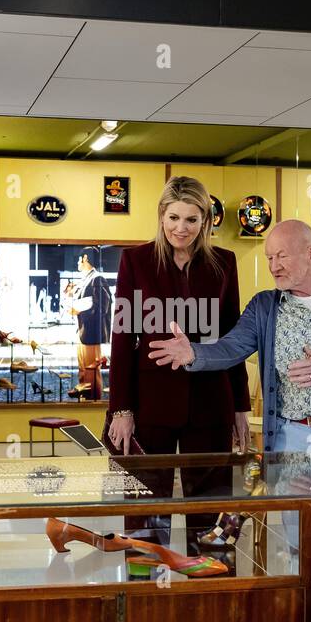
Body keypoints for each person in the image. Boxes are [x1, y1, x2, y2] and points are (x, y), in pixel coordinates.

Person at [148, 219, 311, 456]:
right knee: (289, 506)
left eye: (282, 256)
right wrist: (193, 353)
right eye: (269, 257)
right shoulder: (264, 306)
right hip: (289, 438)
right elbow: (231, 347)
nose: (273, 266)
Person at [106, 177, 251, 544]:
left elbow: (231, 339)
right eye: (173, 218)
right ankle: (144, 592)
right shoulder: (135, 260)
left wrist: (239, 407)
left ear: (205, 220)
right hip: (150, 402)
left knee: (211, 511)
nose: (180, 228)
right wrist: (121, 409)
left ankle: (207, 588)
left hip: (211, 399)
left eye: (191, 219)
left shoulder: (225, 263)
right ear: (161, 215)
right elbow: (122, 337)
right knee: (145, 509)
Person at [67, 247, 113, 400]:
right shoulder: (87, 279)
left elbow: (102, 307)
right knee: (84, 372)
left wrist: (79, 311)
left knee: (91, 373)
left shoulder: (97, 278)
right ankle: (85, 400)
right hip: (83, 333)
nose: (77, 263)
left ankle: (92, 402)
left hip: (91, 334)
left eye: (79, 259)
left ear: (85, 258)